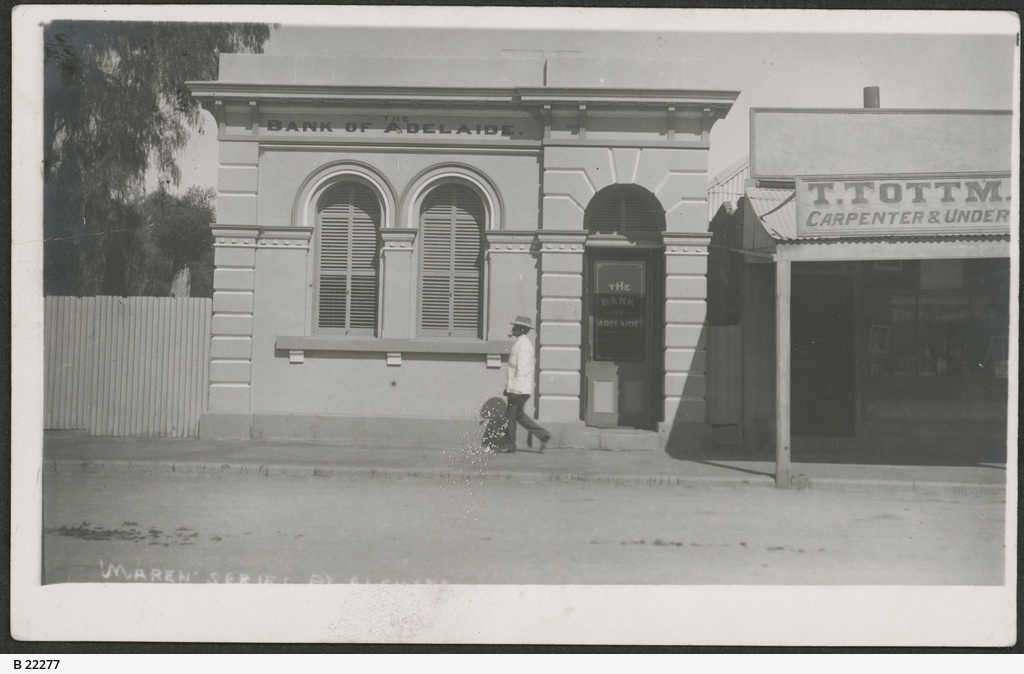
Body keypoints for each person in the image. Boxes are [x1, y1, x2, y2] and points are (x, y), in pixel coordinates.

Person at [496, 316, 552, 453]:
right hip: (518, 388)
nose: (512, 329)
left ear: (521, 329)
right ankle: (543, 435)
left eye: (515, 327)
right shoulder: (520, 343)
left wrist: (514, 390)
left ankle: (510, 445)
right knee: (519, 415)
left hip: (519, 389)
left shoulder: (523, 345)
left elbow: (522, 370)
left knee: (510, 417)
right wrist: (509, 388)